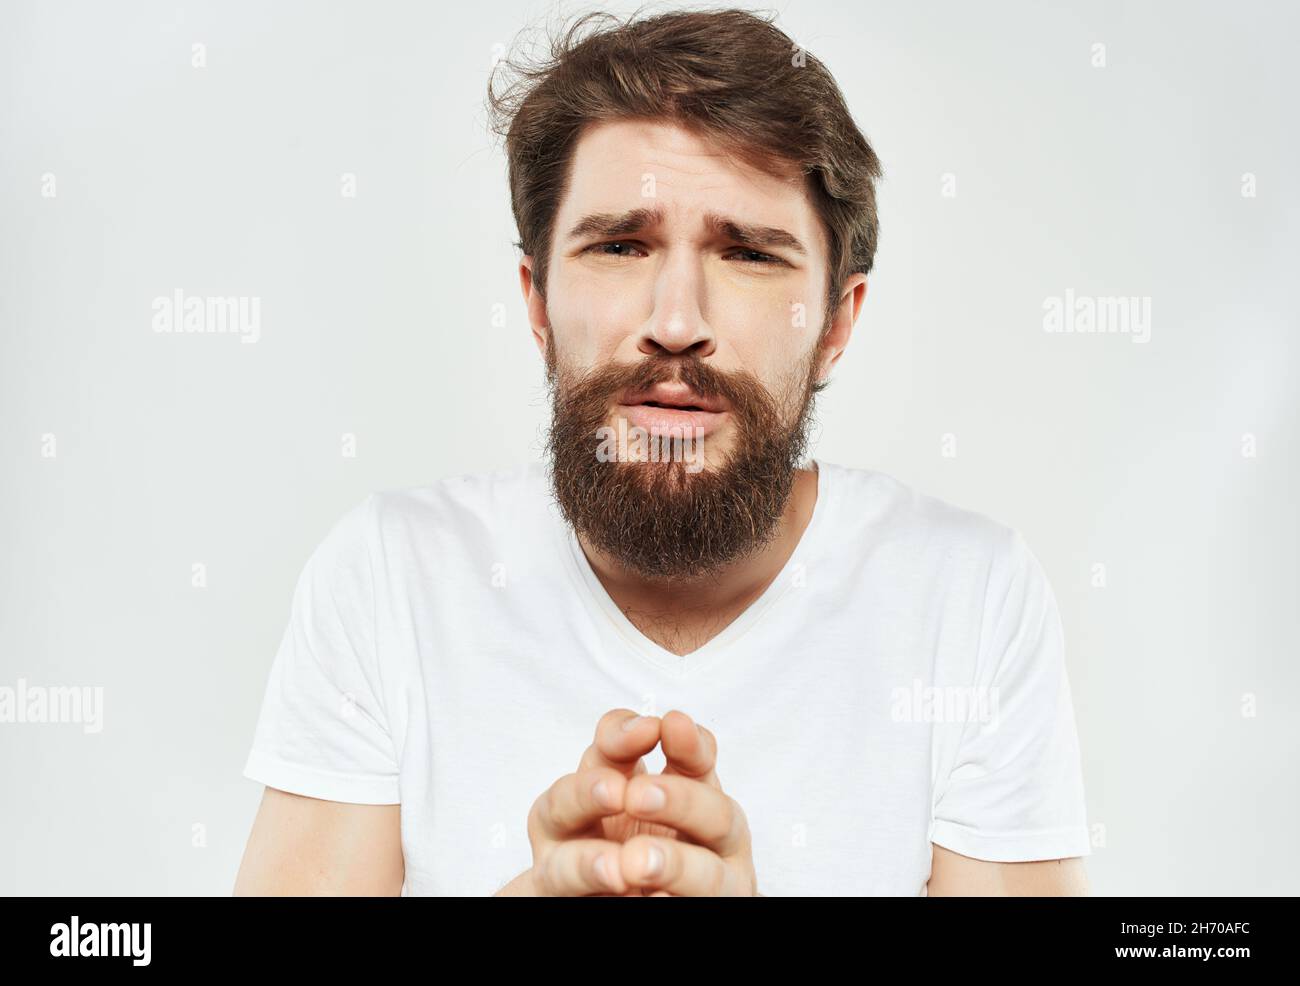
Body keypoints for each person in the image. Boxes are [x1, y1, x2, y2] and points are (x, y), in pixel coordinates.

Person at [234, 8, 1090, 896]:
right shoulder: (389, 578)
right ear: (536, 303)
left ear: (836, 324)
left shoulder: (970, 599)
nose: (676, 324)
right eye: (619, 245)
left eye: (750, 254)